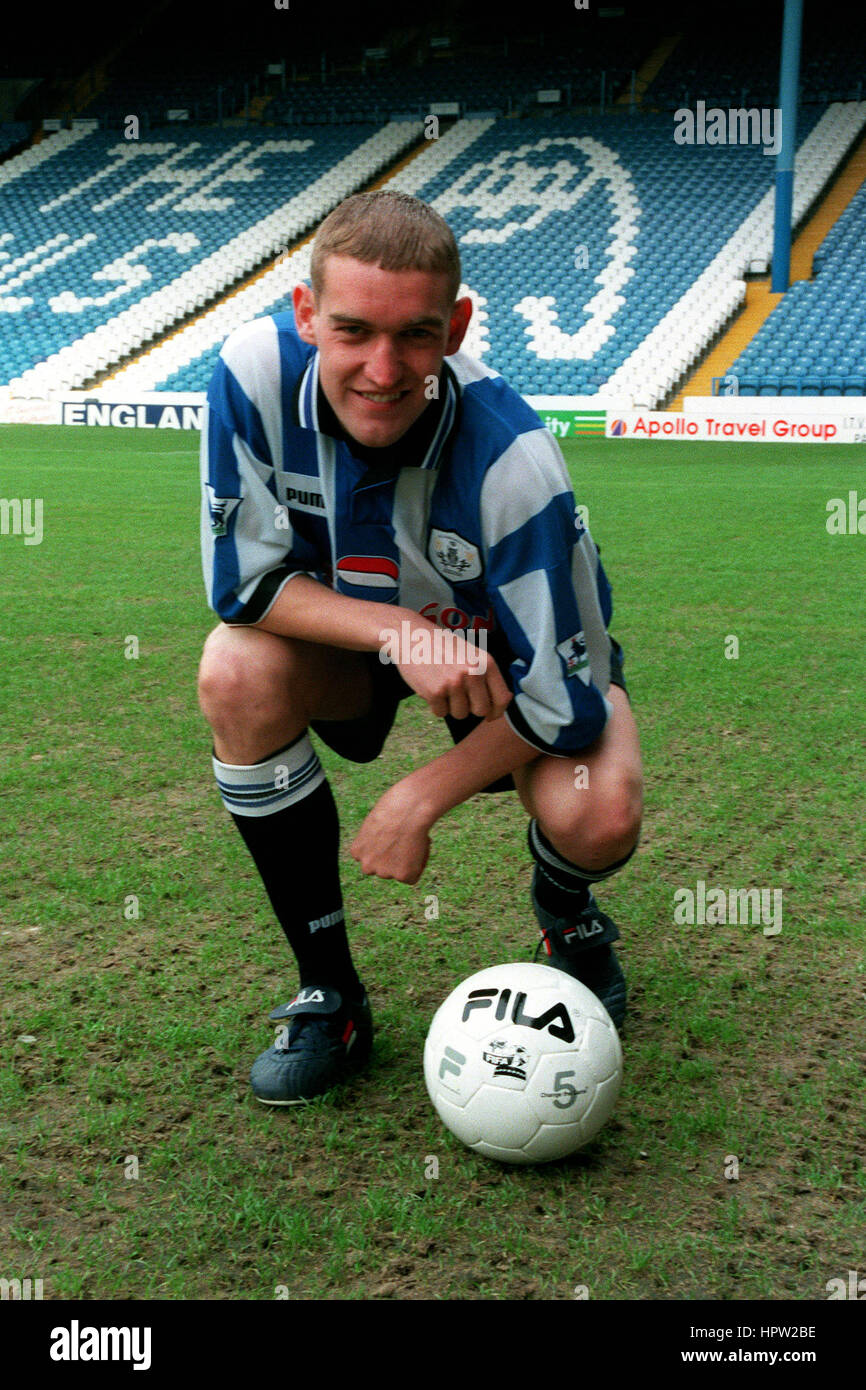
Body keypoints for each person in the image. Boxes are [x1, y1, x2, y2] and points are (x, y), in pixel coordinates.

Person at [197, 189, 643, 1106]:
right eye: (353, 331)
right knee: (234, 665)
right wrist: (400, 631)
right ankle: (331, 994)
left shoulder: (511, 458)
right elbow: (243, 585)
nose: (382, 369)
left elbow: (563, 701)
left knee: (600, 815)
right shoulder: (249, 376)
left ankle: (563, 911)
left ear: (459, 326)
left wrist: (416, 800)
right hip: (360, 647)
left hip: (511, 672)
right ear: (307, 314)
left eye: (417, 336)